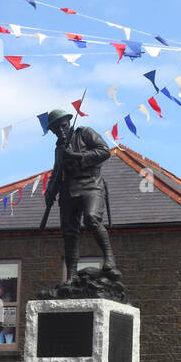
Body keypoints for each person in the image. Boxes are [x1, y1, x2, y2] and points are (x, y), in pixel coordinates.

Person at [40, 108, 119, 281]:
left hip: (91, 185)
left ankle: (110, 259)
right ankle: (72, 275)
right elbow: (56, 171)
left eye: (62, 126)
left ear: (68, 122)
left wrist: (76, 156)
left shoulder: (84, 133)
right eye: (55, 129)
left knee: (91, 218)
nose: (60, 130)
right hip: (68, 190)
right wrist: (50, 192)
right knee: (69, 233)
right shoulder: (59, 148)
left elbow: (104, 151)